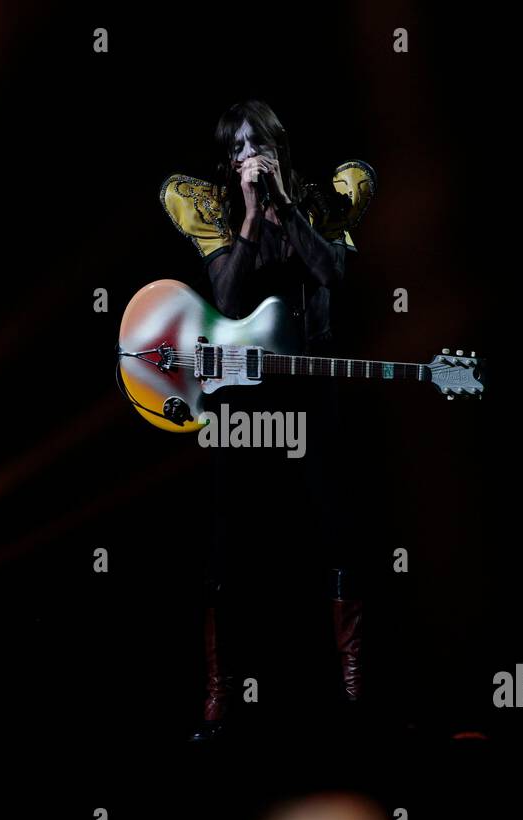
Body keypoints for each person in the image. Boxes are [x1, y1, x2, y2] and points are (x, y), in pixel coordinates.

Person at [159, 99, 376, 742]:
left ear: (280, 146)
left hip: (311, 388)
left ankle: (354, 688)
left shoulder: (316, 201)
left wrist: (282, 207)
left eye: (261, 143)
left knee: (338, 528)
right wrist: (253, 217)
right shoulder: (223, 212)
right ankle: (220, 695)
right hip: (243, 398)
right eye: (240, 148)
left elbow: (331, 270)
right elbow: (224, 300)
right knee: (229, 539)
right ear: (229, 162)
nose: (252, 155)